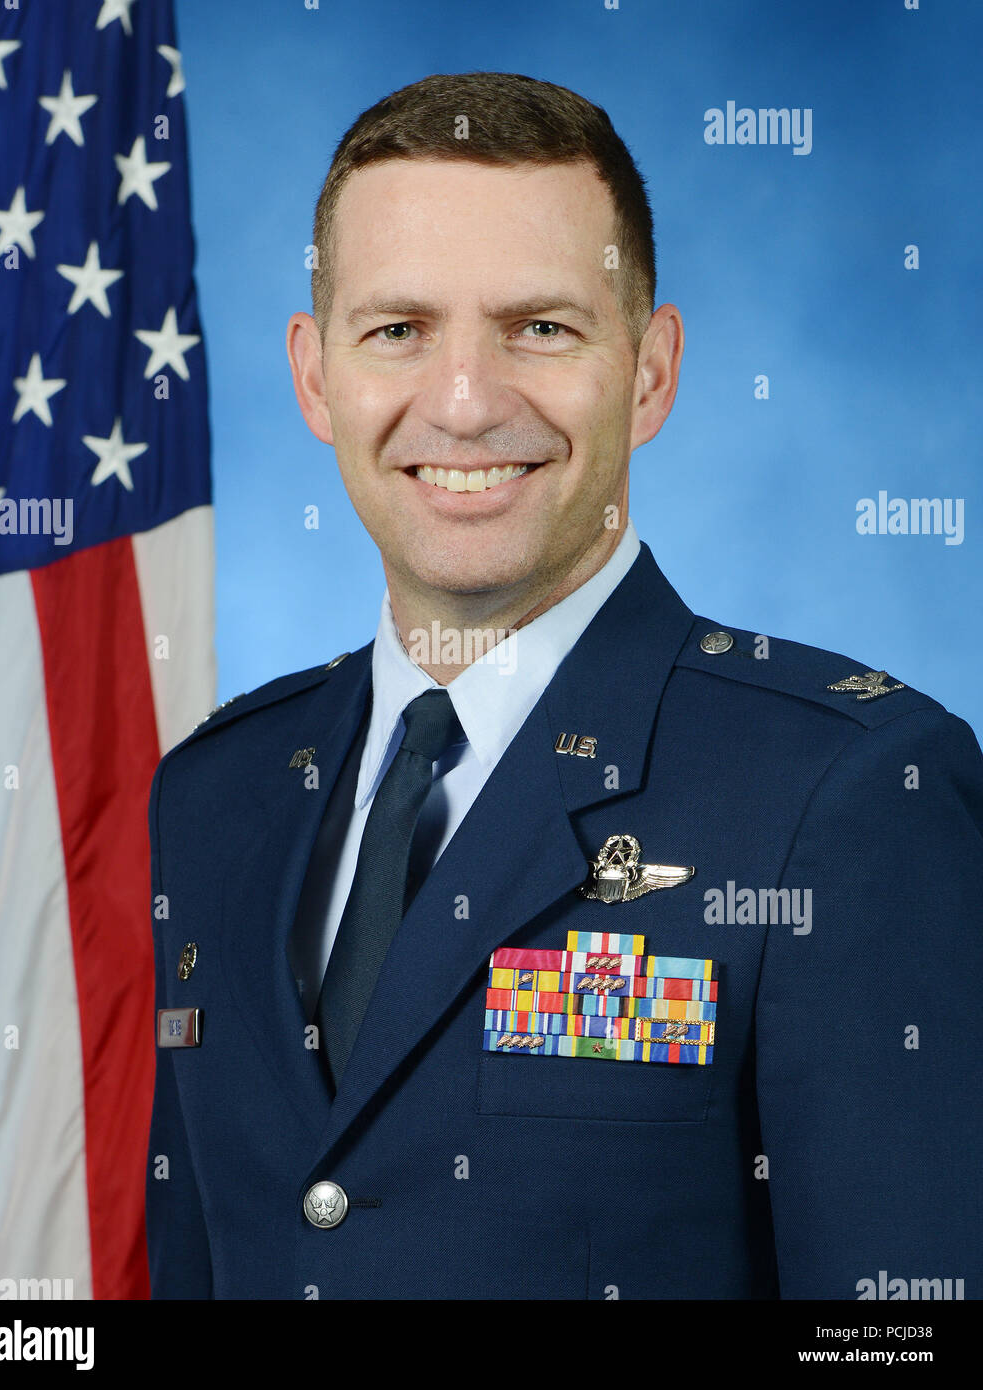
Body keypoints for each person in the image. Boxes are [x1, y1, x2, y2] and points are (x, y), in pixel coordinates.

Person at [146, 71, 983, 1300]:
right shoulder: (215, 795)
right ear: (315, 376)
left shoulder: (845, 794)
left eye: (540, 326)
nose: (467, 401)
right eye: (397, 330)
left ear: (648, 371)